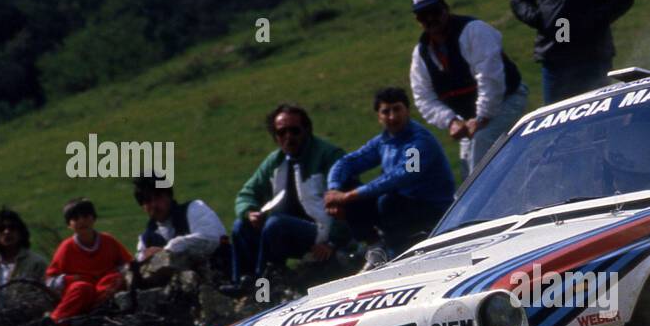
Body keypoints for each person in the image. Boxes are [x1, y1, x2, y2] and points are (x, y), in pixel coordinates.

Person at [323, 88, 455, 270]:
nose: (392, 116)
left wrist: (349, 196)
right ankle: (375, 248)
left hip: (430, 205)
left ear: (407, 111)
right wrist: (334, 190)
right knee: (350, 187)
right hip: (399, 202)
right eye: (386, 111)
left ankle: (398, 252)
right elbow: (348, 162)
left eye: (397, 109)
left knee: (384, 201)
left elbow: (405, 175)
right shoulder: (383, 140)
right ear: (379, 116)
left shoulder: (419, 142)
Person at [408, 0, 529, 180]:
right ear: (417, 20)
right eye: (423, 16)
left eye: (434, 12)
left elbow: (491, 79)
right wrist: (451, 121)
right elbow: (423, 98)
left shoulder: (474, 31)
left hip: (505, 101)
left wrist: (481, 117)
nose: (431, 19)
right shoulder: (421, 54)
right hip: (469, 118)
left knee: (480, 154)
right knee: (467, 168)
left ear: (445, 9)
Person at [225, 103, 344, 295]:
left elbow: (347, 199)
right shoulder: (275, 161)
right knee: (242, 226)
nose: (289, 137)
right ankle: (243, 283)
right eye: (282, 133)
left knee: (275, 224)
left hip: (320, 232)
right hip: (284, 232)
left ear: (306, 130)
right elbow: (246, 194)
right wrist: (250, 212)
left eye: (294, 131)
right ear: (275, 137)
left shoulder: (328, 155)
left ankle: (262, 282)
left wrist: (333, 241)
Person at [45, 198, 132, 322]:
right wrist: (67, 279)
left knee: (113, 278)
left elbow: (128, 263)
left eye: (86, 216)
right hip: (78, 297)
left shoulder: (108, 241)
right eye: (75, 218)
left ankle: (95, 312)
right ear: (69, 224)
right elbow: (49, 281)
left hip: (105, 296)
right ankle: (55, 322)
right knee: (82, 287)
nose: (82, 221)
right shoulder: (66, 248)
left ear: (94, 218)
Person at [132, 175, 227, 280]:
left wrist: (169, 250)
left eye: (158, 197)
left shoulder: (194, 209)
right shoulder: (145, 240)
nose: (154, 205)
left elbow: (211, 238)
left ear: (169, 195)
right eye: (148, 201)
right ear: (143, 206)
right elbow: (140, 263)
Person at [0, 209, 49, 295]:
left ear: (21, 232)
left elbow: (46, 298)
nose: (7, 232)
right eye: (1, 229)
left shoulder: (36, 264)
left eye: (12, 228)